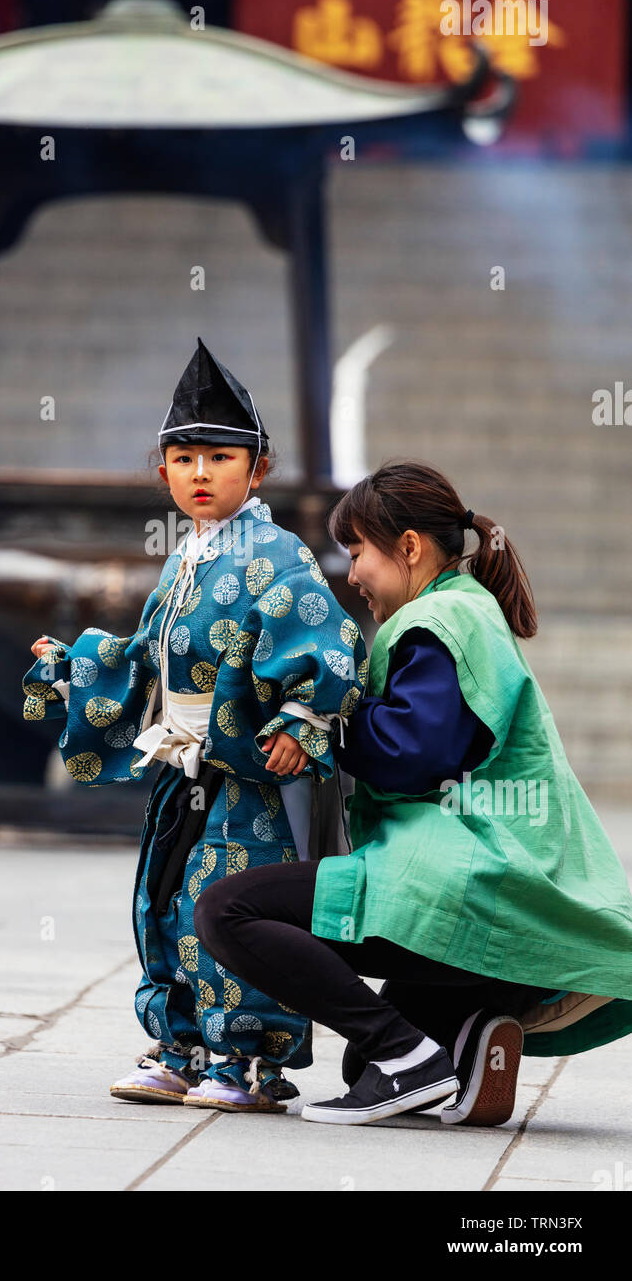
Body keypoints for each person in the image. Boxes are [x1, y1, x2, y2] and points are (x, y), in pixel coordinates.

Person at [194, 460, 632, 1126]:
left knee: (227, 910)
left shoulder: (439, 622)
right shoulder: (469, 613)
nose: (353, 573)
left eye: (359, 551)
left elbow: (409, 755)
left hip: (465, 881)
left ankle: (413, 1057)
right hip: (512, 885)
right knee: (359, 1070)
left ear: (409, 547)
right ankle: (466, 1042)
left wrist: (322, 718)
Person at [23, 338, 366, 1110]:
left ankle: (239, 1060)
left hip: (248, 774)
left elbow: (330, 639)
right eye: (183, 459)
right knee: (166, 898)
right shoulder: (185, 561)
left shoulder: (280, 556)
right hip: (183, 766)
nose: (200, 474)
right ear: (163, 471)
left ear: (259, 469)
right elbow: (142, 654)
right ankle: (178, 1044)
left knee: (226, 906)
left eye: (218, 458)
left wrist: (303, 720)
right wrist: (74, 663)